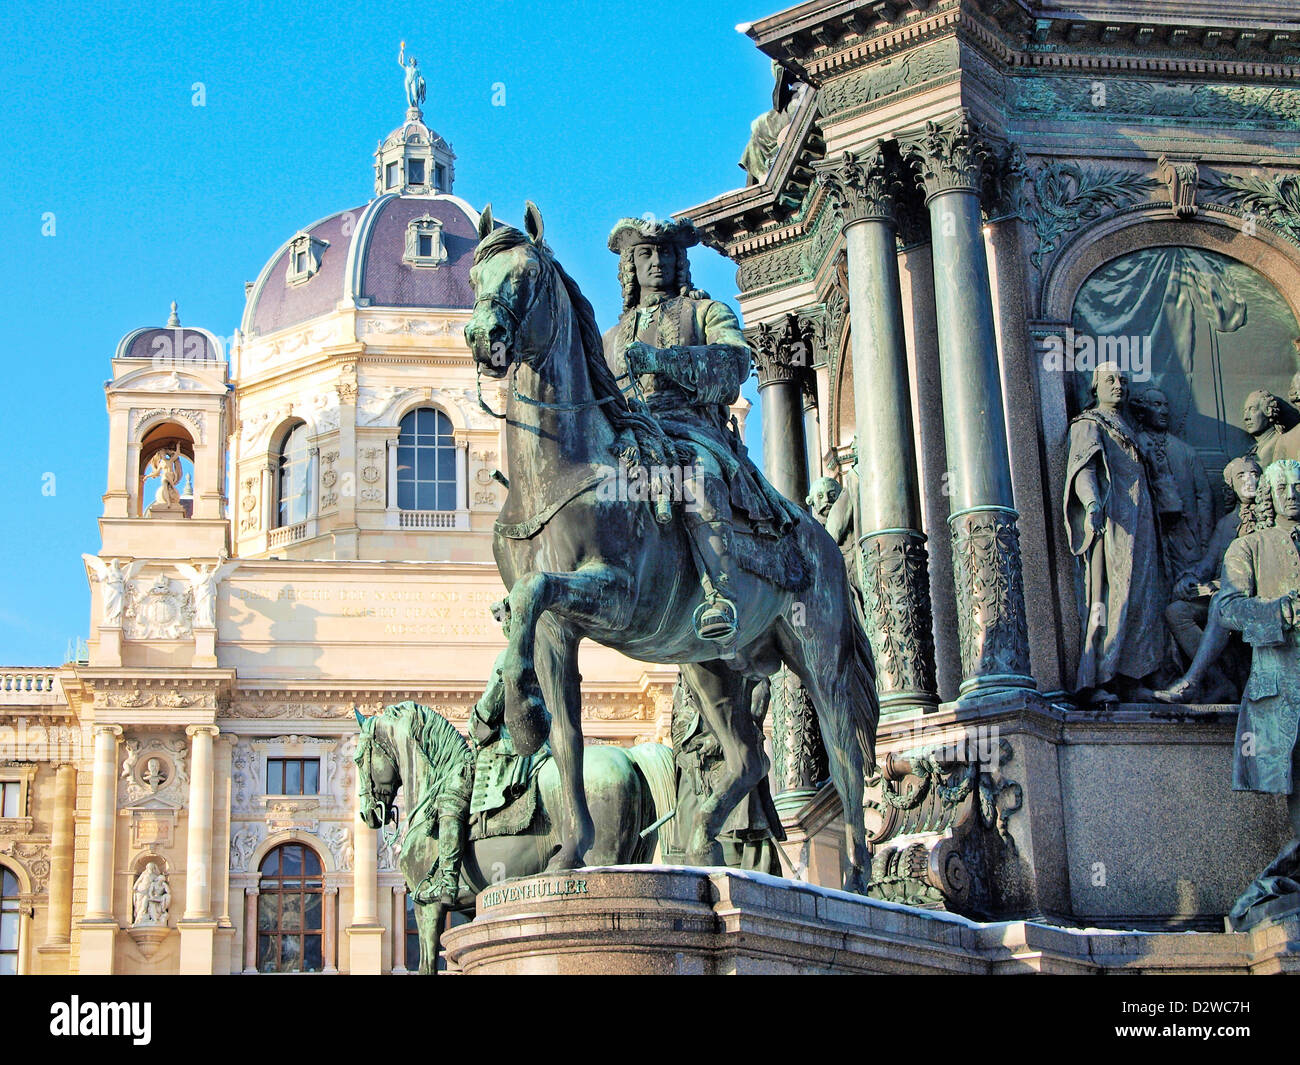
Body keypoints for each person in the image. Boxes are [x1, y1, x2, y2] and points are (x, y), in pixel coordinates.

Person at [603, 217, 801, 646]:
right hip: (630, 437)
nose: (656, 261)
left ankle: (720, 593)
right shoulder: (611, 338)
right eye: (645, 253)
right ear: (630, 266)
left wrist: (662, 361)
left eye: (666, 252)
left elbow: (734, 367)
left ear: (679, 260)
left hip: (691, 429)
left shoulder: (706, 312)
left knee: (697, 476)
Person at [1217, 459, 1300, 928]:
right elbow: (1228, 608)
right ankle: (1280, 881)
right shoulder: (1248, 547)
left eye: (1299, 486)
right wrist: (1280, 612)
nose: (1292, 493)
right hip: (1281, 684)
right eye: (1282, 486)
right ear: (1268, 493)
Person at [1063, 362, 1167, 703]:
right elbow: (1083, 469)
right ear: (1095, 387)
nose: (1118, 385)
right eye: (1109, 380)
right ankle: (1101, 679)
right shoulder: (1089, 423)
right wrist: (1092, 505)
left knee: (1143, 597)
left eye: (1123, 380)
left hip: (1142, 521)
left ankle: (1133, 676)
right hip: (1114, 522)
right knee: (1111, 597)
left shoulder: (1129, 427)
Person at [1154, 454, 1261, 703]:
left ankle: (1193, 680)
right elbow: (1208, 562)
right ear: (1231, 485)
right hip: (1220, 597)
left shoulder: (1270, 522)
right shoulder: (1227, 524)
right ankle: (1218, 680)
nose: (1249, 481)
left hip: (1254, 598)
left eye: (1255, 475)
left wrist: (1221, 586)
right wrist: (1191, 578)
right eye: (1241, 476)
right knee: (1177, 611)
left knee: (1221, 605)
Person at [1131, 386, 1212, 580]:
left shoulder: (1186, 452)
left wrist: (1204, 541)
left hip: (1186, 543)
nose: (1164, 411)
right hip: (1148, 541)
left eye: (1166, 405)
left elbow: (1204, 497)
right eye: (1157, 405)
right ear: (1142, 413)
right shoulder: (1132, 447)